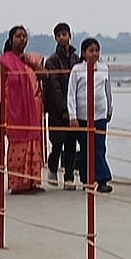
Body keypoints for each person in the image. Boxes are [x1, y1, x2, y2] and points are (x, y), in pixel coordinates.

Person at [0, 25, 45, 194]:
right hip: (15, 112)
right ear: (11, 39)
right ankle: (17, 184)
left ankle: (31, 182)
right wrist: (6, 102)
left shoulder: (31, 60)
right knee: (17, 144)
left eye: (24, 36)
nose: (22, 39)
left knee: (32, 143)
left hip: (31, 110)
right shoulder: (3, 62)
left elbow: (46, 76)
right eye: (18, 36)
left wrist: (32, 65)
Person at [67, 37, 113, 193]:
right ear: (84, 53)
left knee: (99, 147)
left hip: (100, 115)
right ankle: (86, 178)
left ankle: (103, 179)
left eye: (96, 50)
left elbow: (107, 90)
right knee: (86, 147)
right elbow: (71, 94)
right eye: (91, 50)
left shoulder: (104, 68)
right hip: (82, 116)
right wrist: (72, 116)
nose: (94, 54)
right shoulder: (77, 69)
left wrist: (109, 110)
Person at [43, 22, 79, 190]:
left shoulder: (76, 59)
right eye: (59, 35)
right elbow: (54, 86)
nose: (63, 37)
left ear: (70, 35)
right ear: (55, 38)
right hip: (58, 109)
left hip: (74, 108)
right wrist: (63, 108)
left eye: (65, 34)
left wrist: (73, 108)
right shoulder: (52, 61)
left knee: (71, 143)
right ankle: (52, 167)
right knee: (57, 142)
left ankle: (69, 177)